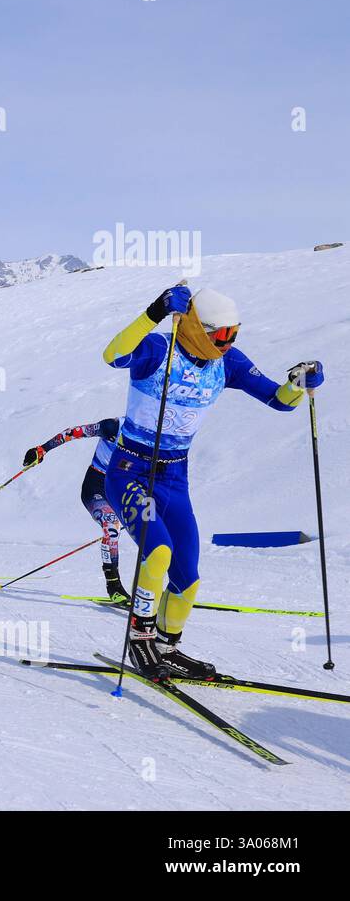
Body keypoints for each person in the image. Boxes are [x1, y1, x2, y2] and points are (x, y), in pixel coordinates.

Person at [103, 284, 324, 679]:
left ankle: (168, 647)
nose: (228, 343)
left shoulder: (228, 361)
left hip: (174, 477)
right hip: (130, 471)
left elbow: (278, 400)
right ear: (195, 328)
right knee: (158, 553)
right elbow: (113, 355)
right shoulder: (157, 349)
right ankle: (140, 639)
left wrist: (299, 384)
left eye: (234, 334)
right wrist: (153, 312)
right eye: (221, 335)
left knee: (188, 576)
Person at [22, 418, 127, 602]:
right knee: (111, 525)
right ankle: (114, 587)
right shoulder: (114, 427)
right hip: (96, 486)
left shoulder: (156, 438)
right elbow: (73, 432)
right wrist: (43, 449)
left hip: (122, 490)